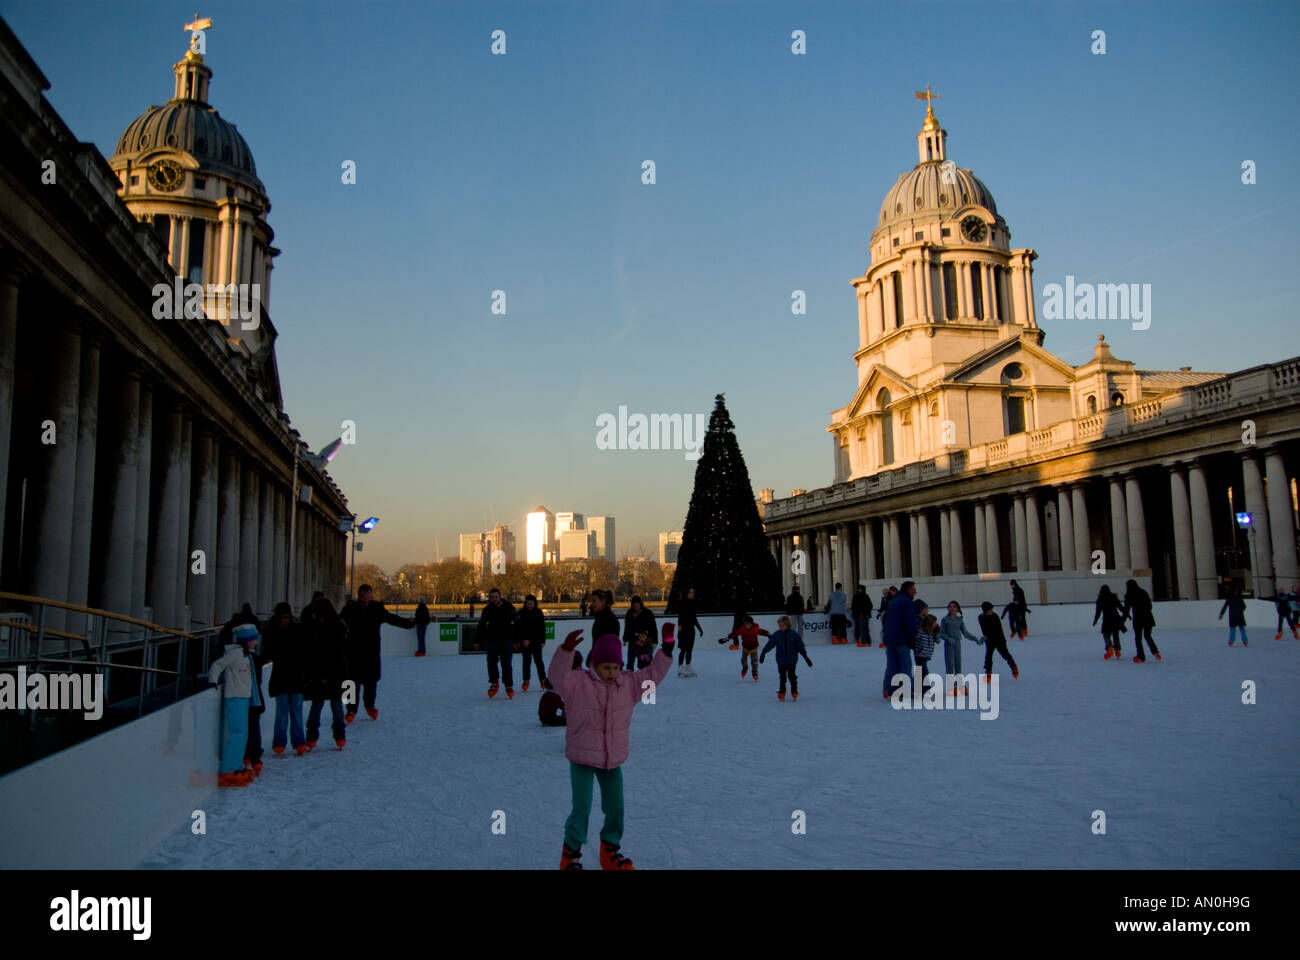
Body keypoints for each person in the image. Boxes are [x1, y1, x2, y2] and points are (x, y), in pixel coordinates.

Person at [551, 624, 675, 870]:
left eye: (616, 667)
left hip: (612, 758)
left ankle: (609, 850)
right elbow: (557, 679)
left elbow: (651, 676)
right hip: (582, 757)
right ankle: (571, 856)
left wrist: (667, 650)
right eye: (606, 667)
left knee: (616, 807)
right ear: (594, 664)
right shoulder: (578, 682)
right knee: (582, 808)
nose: (611, 673)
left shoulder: (628, 683)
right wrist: (565, 651)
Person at [339, 584, 415, 720]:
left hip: (371, 651)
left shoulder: (376, 608)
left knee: (371, 680)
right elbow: (338, 623)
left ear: (371, 596)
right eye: (363, 598)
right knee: (350, 681)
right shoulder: (349, 610)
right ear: (359, 596)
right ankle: (350, 709)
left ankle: (370, 705)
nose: (365, 601)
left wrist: (407, 623)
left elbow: (391, 618)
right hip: (352, 651)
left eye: (368, 598)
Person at [209, 622, 260, 787]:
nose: (256, 642)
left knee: (242, 734)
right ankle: (227, 769)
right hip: (235, 697)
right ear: (246, 640)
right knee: (237, 733)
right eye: (253, 639)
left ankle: (236, 766)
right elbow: (218, 665)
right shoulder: (236, 653)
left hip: (243, 697)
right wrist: (212, 680)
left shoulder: (245, 655)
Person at [303, 596, 350, 750]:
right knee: (337, 706)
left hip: (322, 673)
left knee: (317, 705)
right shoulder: (339, 626)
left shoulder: (317, 629)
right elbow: (340, 653)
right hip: (338, 673)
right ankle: (340, 737)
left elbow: (317, 655)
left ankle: (311, 737)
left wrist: (320, 675)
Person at [262, 602, 308, 757]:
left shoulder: (298, 631)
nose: (283, 621)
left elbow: (305, 653)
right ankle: (280, 743)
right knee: (282, 712)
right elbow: (266, 654)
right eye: (281, 618)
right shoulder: (271, 632)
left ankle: (299, 742)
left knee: (296, 711)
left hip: (296, 677)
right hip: (281, 677)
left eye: (286, 618)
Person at [476, 587, 518, 698]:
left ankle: (508, 685)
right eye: (492, 597)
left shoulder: (509, 607)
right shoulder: (487, 609)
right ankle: (494, 682)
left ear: (500, 596)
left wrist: (517, 639)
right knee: (491, 662)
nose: (494, 599)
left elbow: (518, 623)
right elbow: (481, 625)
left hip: (506, 640)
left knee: (506, 664)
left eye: (496, 597)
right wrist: (477, 640)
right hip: (492, 640)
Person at [759, 615, 813, 701]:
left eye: (782, 625)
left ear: (787, 624)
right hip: (781, 661)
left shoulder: (794, 635)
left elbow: (800, 646)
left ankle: (794, 691)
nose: (781, 627)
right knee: (782, 677)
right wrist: (763, 653)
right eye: (779, 626)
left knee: (792, 677)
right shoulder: (777, 635)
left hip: (792, 660)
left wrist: (805, 657)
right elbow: (770, 644)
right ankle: (782, 691)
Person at [882, 582, 919, 698]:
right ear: (908, 590)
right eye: (914, 589)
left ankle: (891, 689)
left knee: (892, 665)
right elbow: (910, 622)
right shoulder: (907, 602)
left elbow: (886, 619)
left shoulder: (894, 601)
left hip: (890, 638)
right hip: (902, 639)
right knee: (905, 665)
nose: (915, 591)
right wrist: (912, 638)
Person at [939, 601, 980, 696]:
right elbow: (941, 633)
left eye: (954, 606)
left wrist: (975, 639)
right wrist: (948, 639)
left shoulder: (959, 620)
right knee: (950, 665)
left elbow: (965, 633)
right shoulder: (945, 620)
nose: (952, 608)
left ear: (957, 609)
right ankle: (951, 687)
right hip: (949, 645)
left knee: (958, 665)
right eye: (950, 606)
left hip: (957, 644)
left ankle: (960, 685)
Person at [977, 601, 1019, 682]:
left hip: (999, 639)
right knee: (988, 656)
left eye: (991, 609)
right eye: (989, 610)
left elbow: (997, 629)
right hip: (989, 640)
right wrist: (984, 638)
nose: (991, 611)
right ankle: (988, 672)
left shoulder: (995, 616)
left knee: (1005, 654)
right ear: (985, 610)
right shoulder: (981, 617)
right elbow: (985, 629)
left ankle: (1013, 666)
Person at [516, 594, 549, 691]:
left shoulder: (539, 613)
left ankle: (543, 680)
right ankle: (526, 680)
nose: (529, 605)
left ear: (535, 604)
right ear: (525, 604)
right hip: (525, 642)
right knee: (526, 662)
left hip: (537, 641)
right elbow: (518, 628)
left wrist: (542, 641)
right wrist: (522, 640)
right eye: (528, 604)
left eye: (531, 604)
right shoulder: (521, 613)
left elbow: (542, 628)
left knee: (538, 661)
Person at [1122, 579, 1161, 662]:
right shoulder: (1143, 592)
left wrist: (1122, 621)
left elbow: (1126, 610)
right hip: (1148, 617)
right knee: (1148, 636)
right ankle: (1155, 652)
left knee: (1138, 638)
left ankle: (1141, 656)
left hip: (1138, 619)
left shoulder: (1129, 595)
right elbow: (1150, 606)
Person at [538, 653, 581, 727]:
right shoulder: (555, 696)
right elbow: (562, 706)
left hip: (542, 719)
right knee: (567, 720)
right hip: (551, 720)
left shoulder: (545, 695)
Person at [723, 615, 769, 680]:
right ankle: (745, 669)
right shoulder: (742, 629)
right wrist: (727, 638)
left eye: (749, 624)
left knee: (754, 661)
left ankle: (755, 673)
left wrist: (768, 634)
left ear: (751, 624)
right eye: (746, 624)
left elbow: (761, 631)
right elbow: (735, 633)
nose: (747, 626)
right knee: (743, 660)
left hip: (754, 649)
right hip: (745, 649)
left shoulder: (755, 629)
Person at [585, 589, 620, 668]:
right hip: (601, 663)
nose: (592, 604)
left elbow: (608, 645)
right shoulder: (601, 618)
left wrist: (593, 658)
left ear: (603, 601)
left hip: (605, 665)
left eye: (594, 601)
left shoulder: (608, 619)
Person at [675, 586, 704, 678]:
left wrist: (699, 628)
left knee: (690, 650)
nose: (692, 594)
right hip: (684, 630)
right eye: (690, 592)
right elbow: (680, 619)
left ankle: (688, 666)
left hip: (691, 630)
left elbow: (694, 618)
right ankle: (680, 668)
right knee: (683, 649)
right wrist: (679, 632)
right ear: (686, 594)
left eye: (693, 592)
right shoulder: (682, 604)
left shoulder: (693, 604)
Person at [1092, 585, 1127, 659]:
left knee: (1106, 634)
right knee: (1116, 635)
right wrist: (1127, 614)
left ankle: (1109, 647)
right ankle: (1117, 650)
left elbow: (1098, 612)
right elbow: (1120, 606)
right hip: (1115, 619)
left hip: (1107, 619)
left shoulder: (1100, 599)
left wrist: (1095, 620)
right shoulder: (1113, 597)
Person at [622, 596, 657, 669]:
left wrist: (655, 641)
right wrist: (625, 638)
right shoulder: (629, 613)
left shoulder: (647, 613)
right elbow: (627, 627)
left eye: (637, 605)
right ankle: (630, 678)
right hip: (632, 641)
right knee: (630, 662)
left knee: (645, 663)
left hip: (644, 642)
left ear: (640, 604)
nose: (636, 607)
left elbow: (653, 628)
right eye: (634, 606)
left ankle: (645, 677)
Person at [913, 613, 941, 685]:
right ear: (930, 623)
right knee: (924, 672)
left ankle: (915, 688)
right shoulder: (921, 632)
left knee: (920, 672)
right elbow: (915, 639)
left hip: (926, 655)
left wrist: (937, 632)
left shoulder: (932, 633)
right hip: (920, 655)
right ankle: (926, 689)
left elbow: (938, 641)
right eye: (934, 622)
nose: (936, 624)